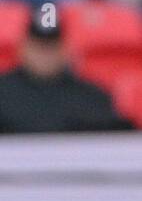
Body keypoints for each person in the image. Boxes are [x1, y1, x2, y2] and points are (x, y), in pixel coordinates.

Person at [0, 11, 131, 135]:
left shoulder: (91, 96)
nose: (45, 55)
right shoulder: (4, 91)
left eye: (52, 47)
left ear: (66, 49)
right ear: (22, 47)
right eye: (38, 47)